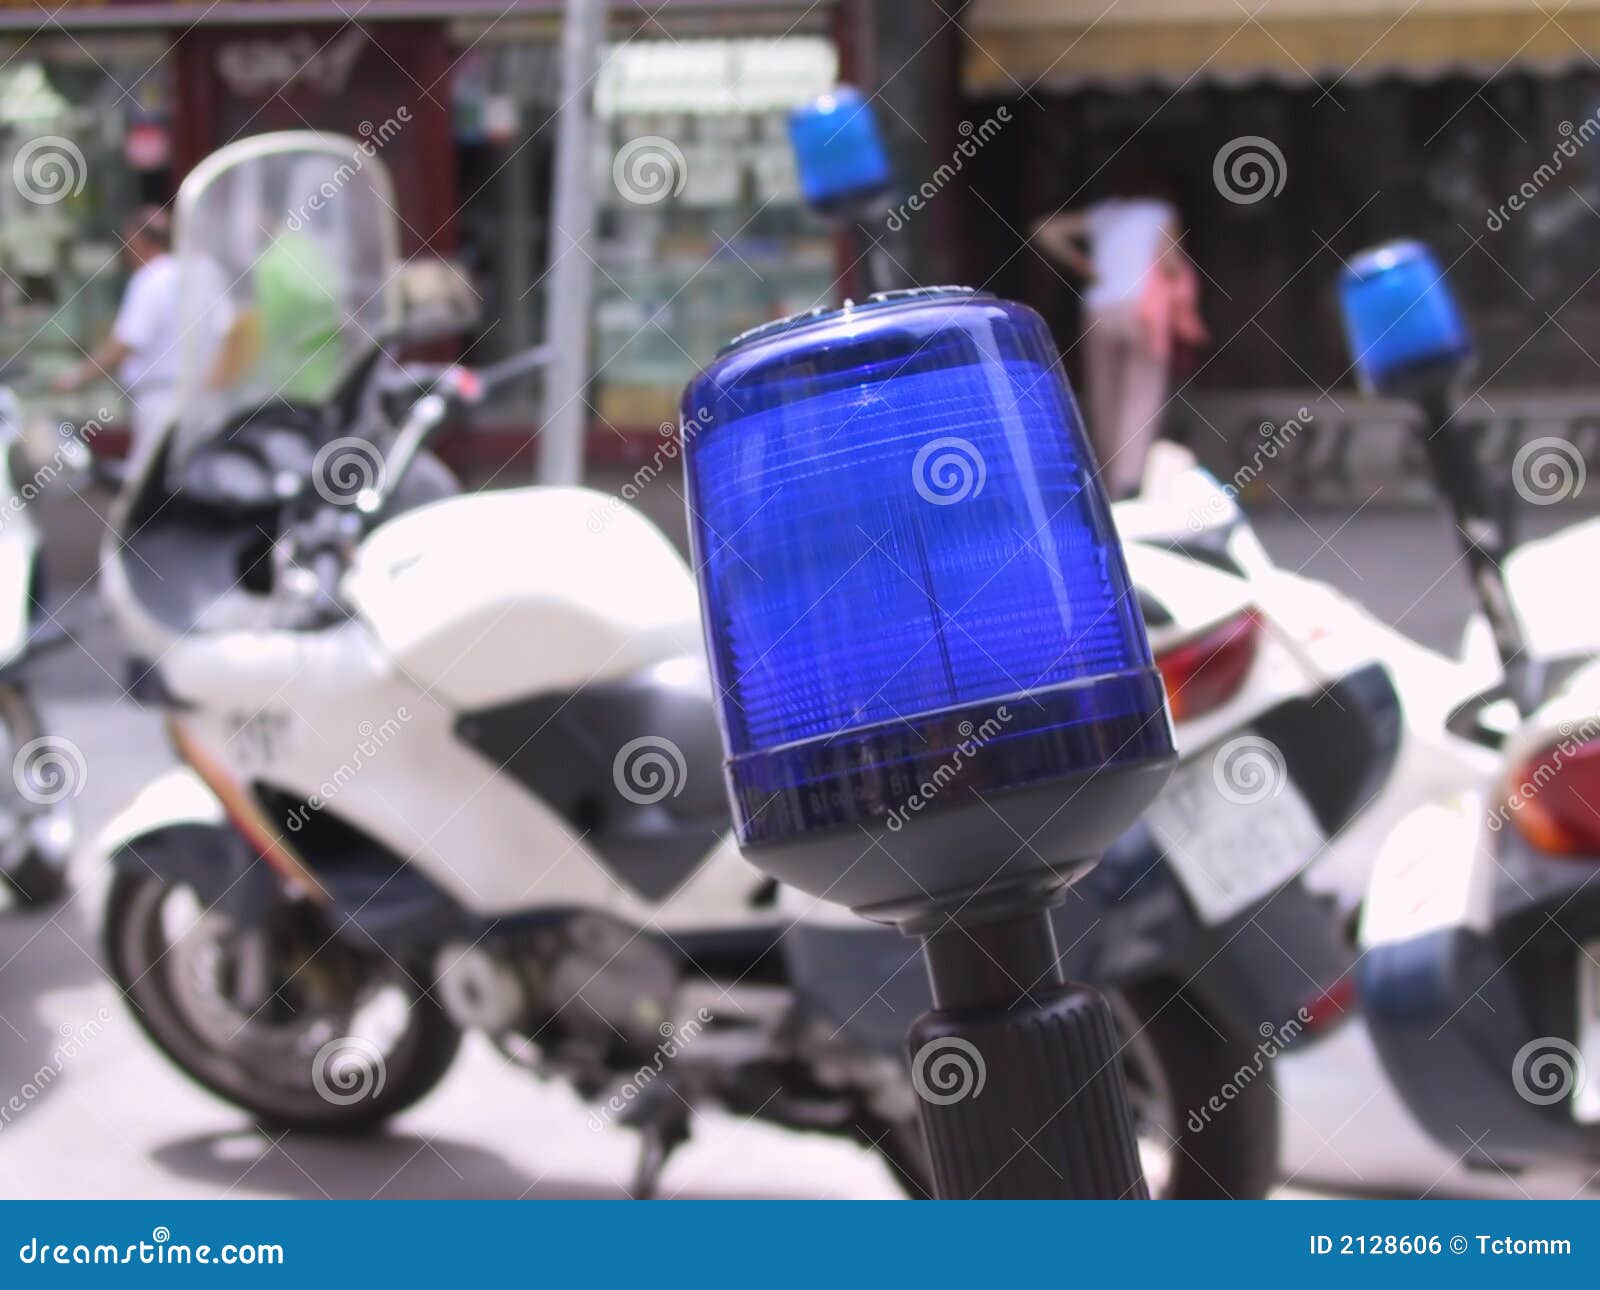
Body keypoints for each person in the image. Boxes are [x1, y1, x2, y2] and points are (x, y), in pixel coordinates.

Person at [1031, 169, 1208, 498]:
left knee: (1104, 398)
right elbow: (1170, 263)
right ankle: (1128, 483)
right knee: (1141, 395)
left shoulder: (1105, 214)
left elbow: (1044, 229)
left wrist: (1083, 265)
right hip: (1141, 309)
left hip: (1099, 307)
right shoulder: (1160, 213)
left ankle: (1107, 483)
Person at [53, 206, 233, 461]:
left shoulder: (151, 278)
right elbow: (230, 330)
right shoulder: (207, 271)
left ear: (138, 241)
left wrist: (76, 377)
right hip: (207, 399)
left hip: (162, 402)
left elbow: (125, 343)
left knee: (150, 484)